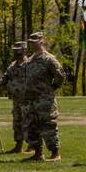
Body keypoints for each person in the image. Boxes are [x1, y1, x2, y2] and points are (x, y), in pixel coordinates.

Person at [22, 32, 65, 162]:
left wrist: (52, 88)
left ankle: (55, 153)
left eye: (34, 41)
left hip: (45, 100)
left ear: (42, 42)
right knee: (32, 126)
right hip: (31, 100)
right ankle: (38, 153)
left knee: (48, 126)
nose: (31, 44)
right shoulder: (30, 61)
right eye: (30, 42)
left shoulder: (49, 59)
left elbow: (60, 75)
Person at [0, 41, 30, 153]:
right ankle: (18, 146)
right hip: (16, 99)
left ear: (24, 50)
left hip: (28, 99)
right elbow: (4, 78)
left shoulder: (29, 64)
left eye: (19, 49)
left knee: (29, 122)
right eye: (15, 50)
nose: (16, 52)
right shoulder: (13, 66)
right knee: (17, 122)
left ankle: (32, 146)